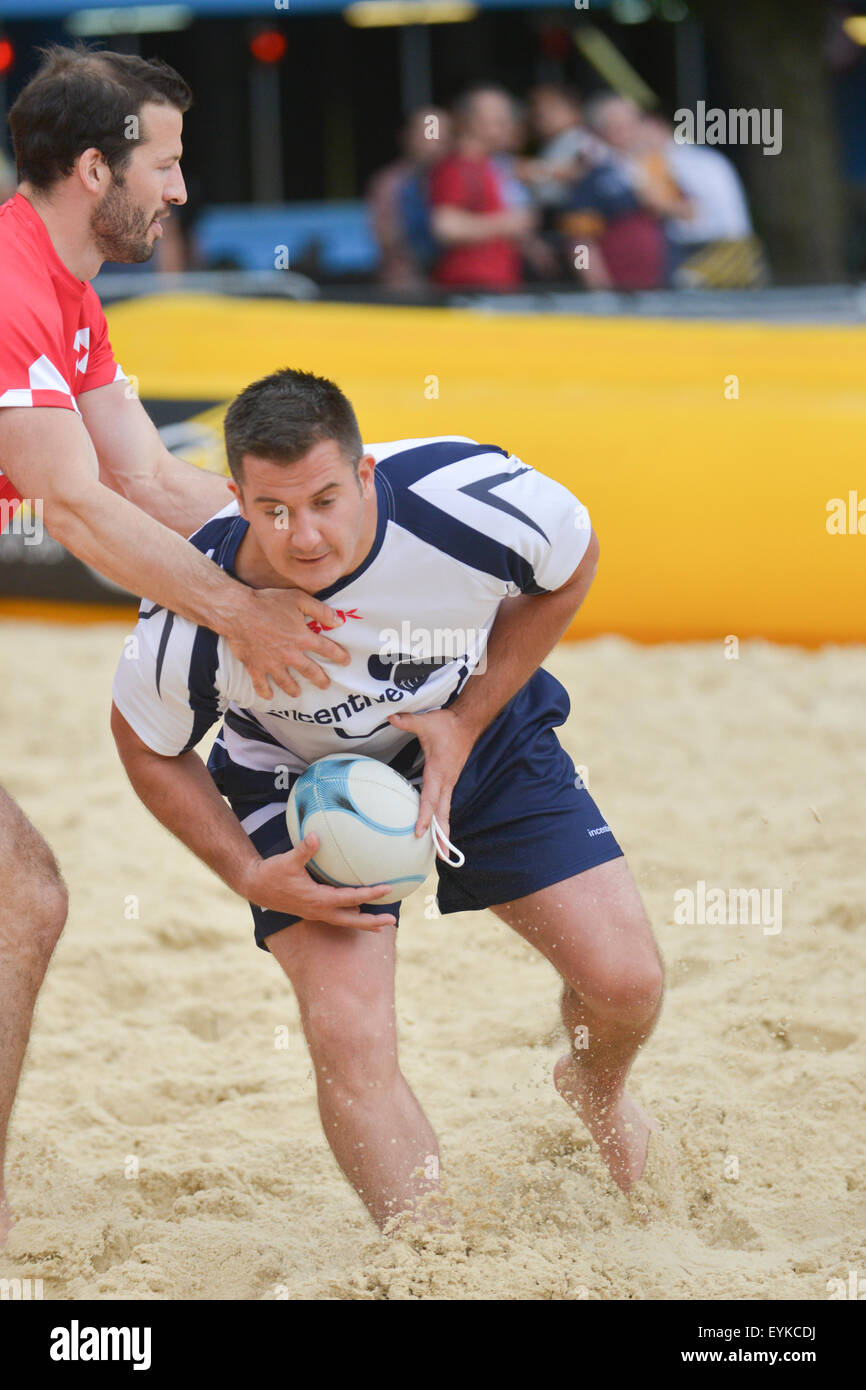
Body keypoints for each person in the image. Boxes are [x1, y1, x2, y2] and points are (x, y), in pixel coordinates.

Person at [110, 366, 665, 1232]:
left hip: (475, 730)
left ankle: (594, 1084)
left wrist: (466, 716)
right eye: (275, 511)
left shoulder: (465, 501)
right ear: (236, 499)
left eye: (327, 499)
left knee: (627, 985)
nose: (304, 536)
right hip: (296, 782)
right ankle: (432, 1260)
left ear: (367, 473)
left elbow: (573, 562)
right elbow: (147, 747)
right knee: (348, 1033)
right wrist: (248, 875)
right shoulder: (196, 603)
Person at [0, 45, 352, 1250]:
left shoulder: (65, 291)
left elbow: (147, 478)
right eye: (168, 161)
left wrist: (326, 544)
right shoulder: (7, 285)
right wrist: (242, 610)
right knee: (19, 898)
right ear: (94, 167)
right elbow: (79, 510)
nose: (182, 189)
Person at [428, 87, 537, 291]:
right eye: (499, 120)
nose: (508, 127)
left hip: (496, 284)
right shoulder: (455, 167)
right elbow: (445, 226)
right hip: (472, 287)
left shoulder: (490, 165)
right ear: (471, 123)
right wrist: (507, 223)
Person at [366, 106, 452, 291]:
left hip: (455, 280)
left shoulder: (461, 176)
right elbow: (385, 237)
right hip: (407, 283)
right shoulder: (390, 182)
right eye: (426, 135)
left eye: (440, 137)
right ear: (407, 137)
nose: (432, 143)